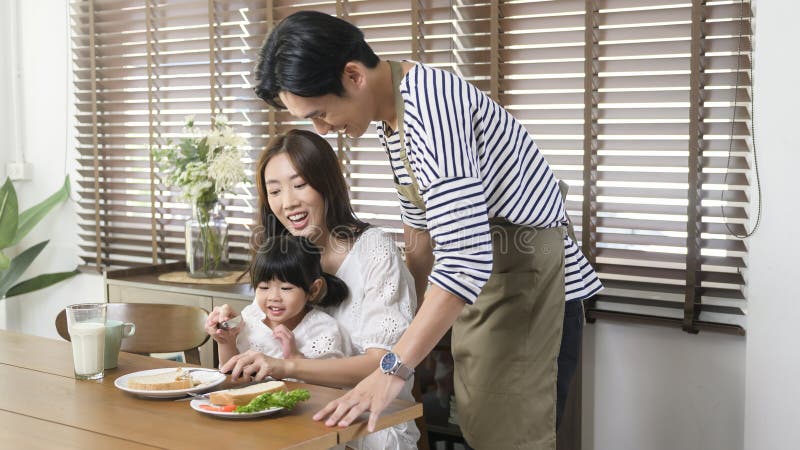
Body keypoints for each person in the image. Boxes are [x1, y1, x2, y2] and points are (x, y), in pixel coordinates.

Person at [253, 11, 603, 450]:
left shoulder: (432, 108)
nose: (323, 130)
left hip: (530, 282)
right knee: (481, 424)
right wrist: (403, 332)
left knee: (508, 436)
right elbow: (420, 235)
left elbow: (465, 257)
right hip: (489, 284)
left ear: (353, 75)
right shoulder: (393, 115)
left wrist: (393, 368)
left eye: (321, 113)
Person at [217, 129, 420, 449]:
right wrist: (228, 333)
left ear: (326, 183)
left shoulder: (373, 250)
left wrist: (286, 366)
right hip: (290, 424)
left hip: (366, 426)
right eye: (275, 191)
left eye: (299, 185)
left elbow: (382, 364)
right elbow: (250, 353)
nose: (288, 203)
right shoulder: (280, 254)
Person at [206, 235, 347, 369]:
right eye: (264, 287)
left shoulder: (322, 329)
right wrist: (225, 340)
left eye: (286, 288)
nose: (274, 297)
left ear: (314, 289)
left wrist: (294, 356)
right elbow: (230, 372)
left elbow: (331, 384)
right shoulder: (250, 317)